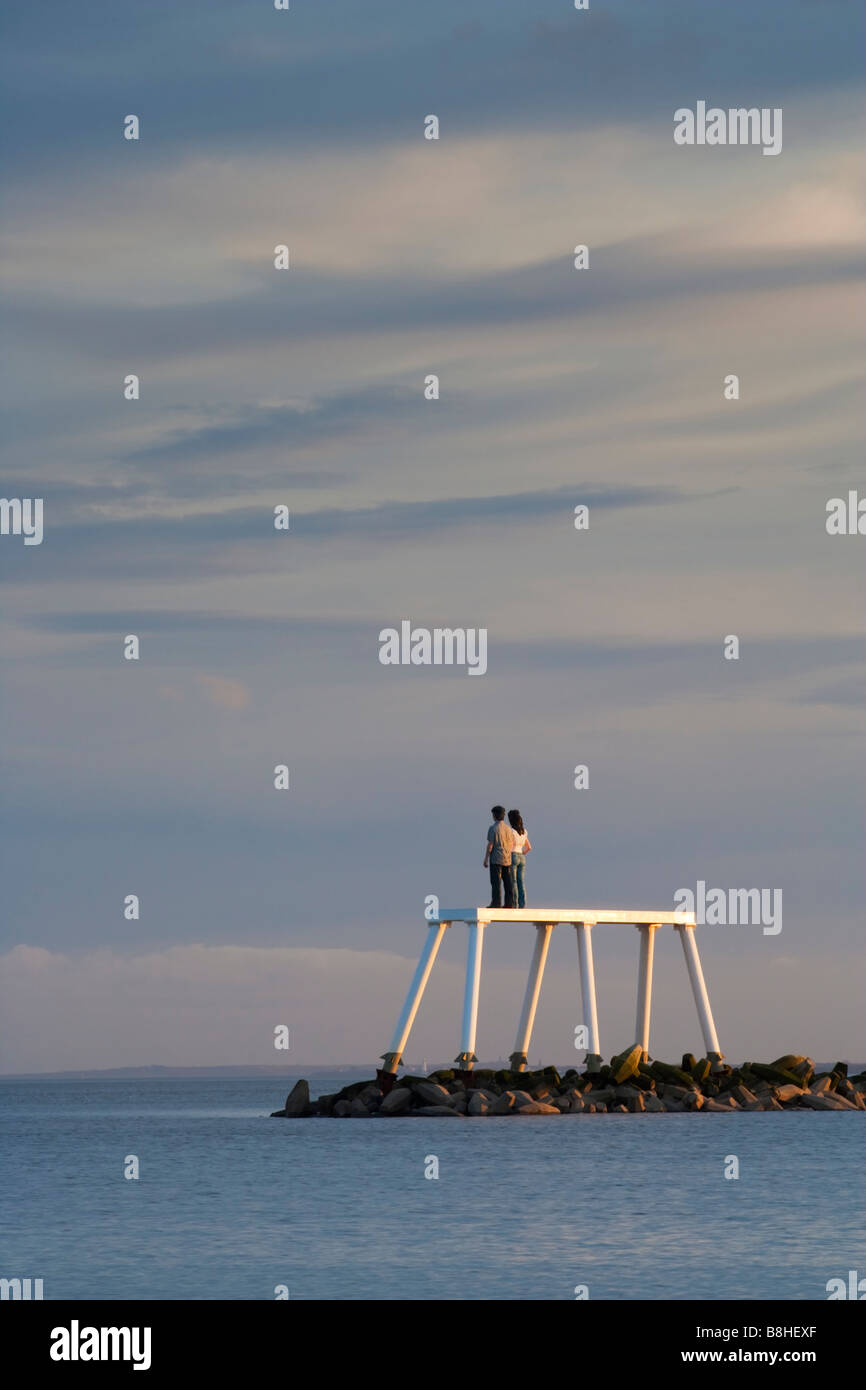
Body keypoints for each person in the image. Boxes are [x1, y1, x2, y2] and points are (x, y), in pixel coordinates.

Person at [484, 805, 515, 909]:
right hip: (507, 858)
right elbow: (512, 845)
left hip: (496, 858)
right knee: (508, 882)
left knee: (496, 882)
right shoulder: (509, 829)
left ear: (495, 815)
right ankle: (509, 903)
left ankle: (496, 902)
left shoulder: (493, 828)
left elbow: (490, 845)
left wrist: (486, 859)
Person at [507, 809, 531, 908]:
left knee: (513, 881)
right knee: (521, 881)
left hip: (513, 855)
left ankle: (515, 903)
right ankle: (522, 903)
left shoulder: (511, 831)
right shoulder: (524, 831)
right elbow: (529, 847)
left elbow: (510, 846)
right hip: (522, 856)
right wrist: (522, 853)